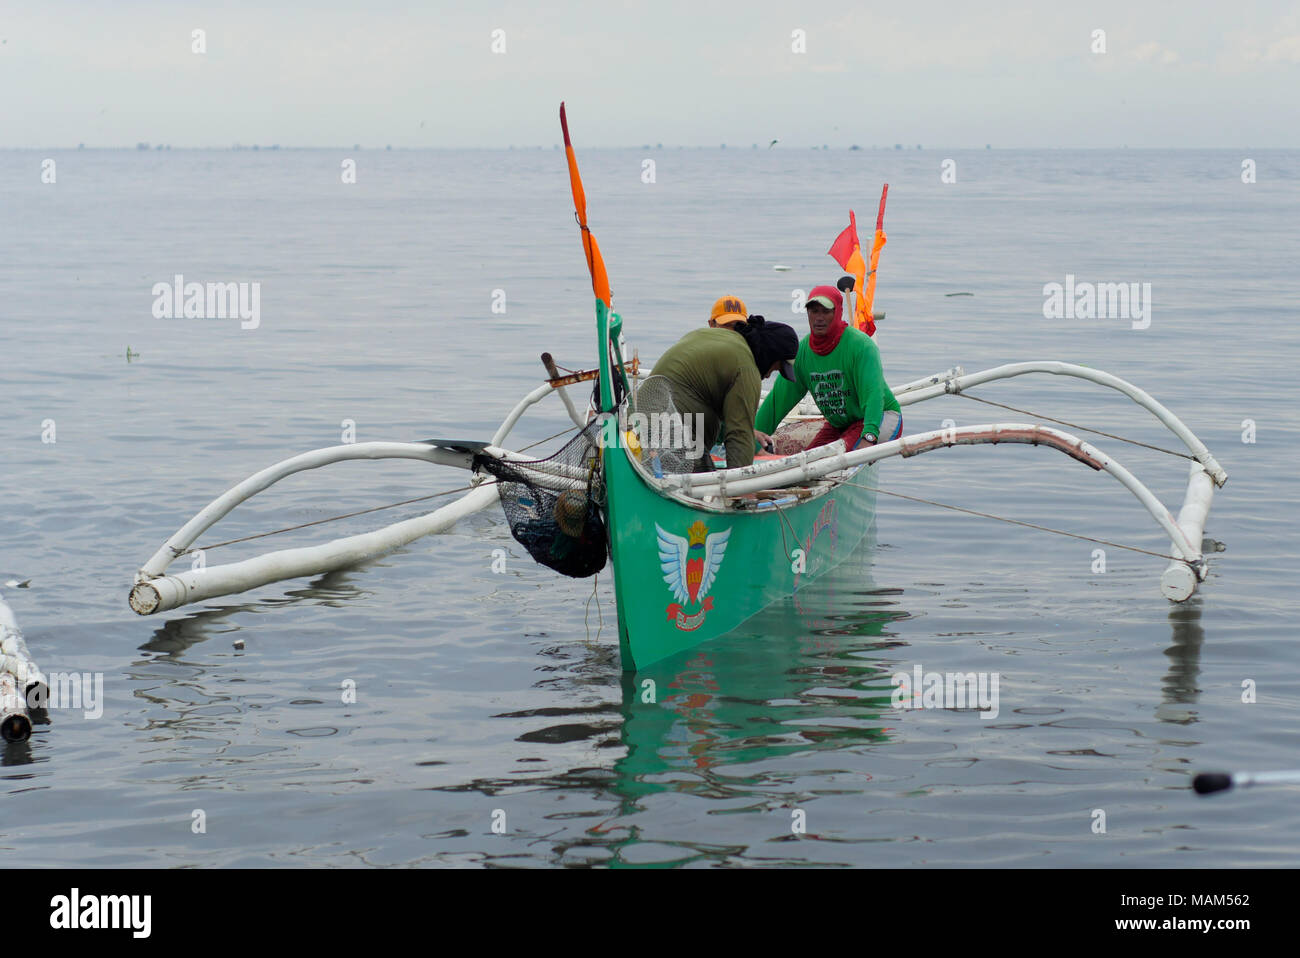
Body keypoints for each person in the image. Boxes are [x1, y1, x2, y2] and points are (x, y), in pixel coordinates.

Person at [652, 302, 798, 471]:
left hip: (643, 422)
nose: (767, 376)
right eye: (775, 369)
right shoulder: (745, 366)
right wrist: (743, 490)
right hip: (672, 432)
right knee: (710, 488)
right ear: (770, 354)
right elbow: (738, 435)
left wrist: (751, 433)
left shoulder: (713, 338)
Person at [754, 284, 901, 452]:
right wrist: (753, 441)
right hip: (840, 424)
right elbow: (777, 402)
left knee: (828, 458)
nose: (819, 318)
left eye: (826, 311)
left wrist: (869, 436)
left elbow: (873, 395)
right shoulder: (803, 352)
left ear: (837, 312)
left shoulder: (861, 346)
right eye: (814, 311)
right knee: (809, 460)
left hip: (880, 417)